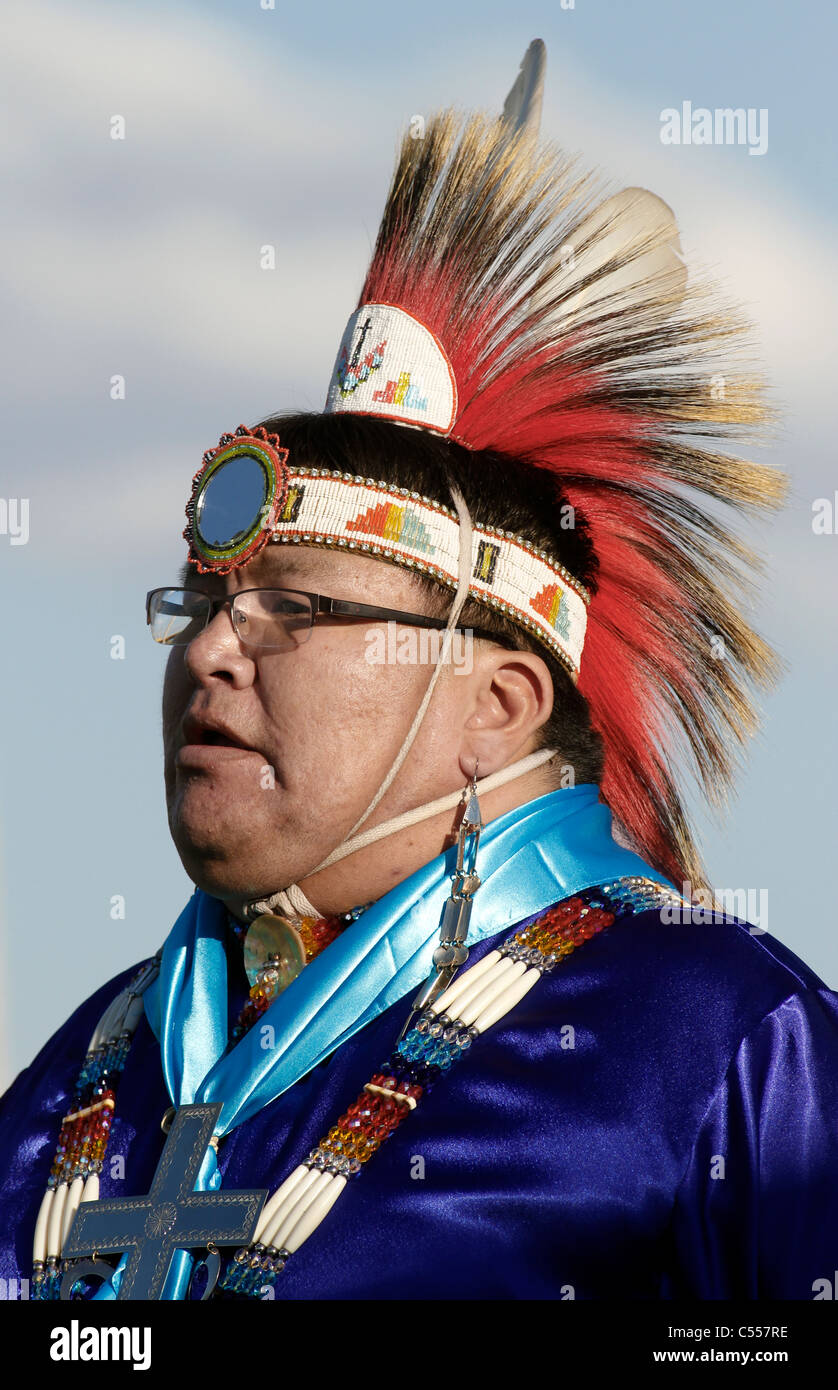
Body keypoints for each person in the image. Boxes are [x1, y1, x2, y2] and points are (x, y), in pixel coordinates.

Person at [1, 40, 836, 1303]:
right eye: (204, 603)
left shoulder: (714, 1044)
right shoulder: (83, 1076)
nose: (211, 653)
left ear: (496, 706)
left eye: (297, 608)